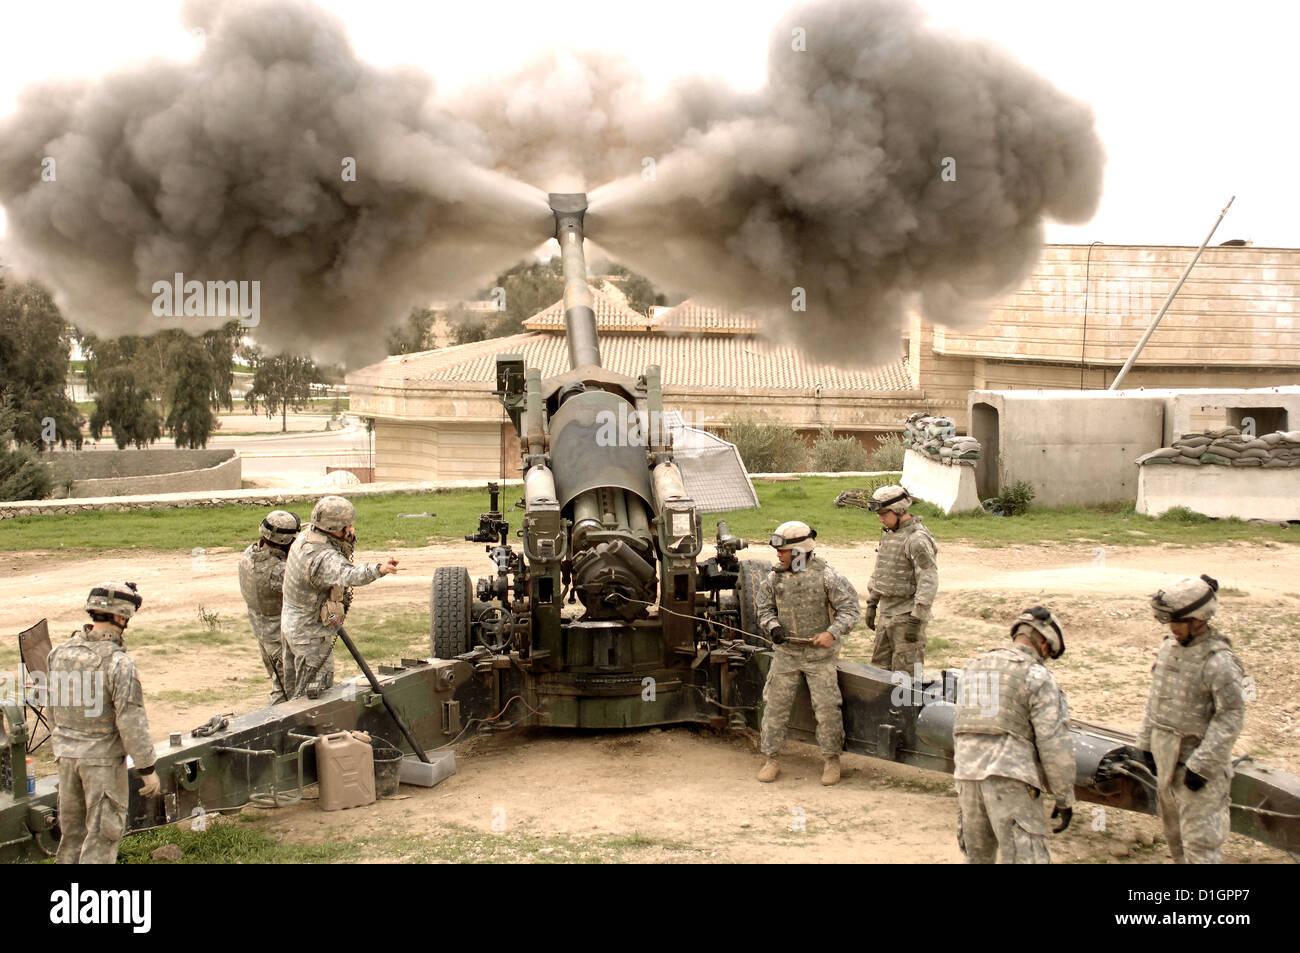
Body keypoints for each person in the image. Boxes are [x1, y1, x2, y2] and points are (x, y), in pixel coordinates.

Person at [47, 582, 160, 864]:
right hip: (102, 765)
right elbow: (131, 719)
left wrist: (62, 746)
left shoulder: (59, 653)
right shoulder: (119, 663)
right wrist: (147, 768)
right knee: (100, 839)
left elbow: (51, 710)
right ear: (121, 618)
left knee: (71, 837)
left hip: (67, 758)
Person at [953, 606, 1075, 864]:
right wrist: (1064, 797)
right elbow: (1053, 744)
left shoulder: (972, 667)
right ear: (1043, 642)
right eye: (1049, 653)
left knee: (976, 859)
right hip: (1010, 779)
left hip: (966, 777)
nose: (1046, 658)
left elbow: (960, 727)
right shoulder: (1036, 676)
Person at [1137, 574, 1245, 864]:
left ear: (1199, 619)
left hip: (1198, 771)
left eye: (1178, 622)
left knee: (1200, 846)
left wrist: (1203, 765)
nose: (1173, 629)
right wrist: (1145, 743)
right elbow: (1156, 699)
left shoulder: (1219, 660)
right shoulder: (1168, 649)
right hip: (1166, 763)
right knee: (1175, 839)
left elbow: (1231, 716)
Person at [755, 520, 861, 786]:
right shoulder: (773, 578)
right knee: (775, 708)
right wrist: (773, 626)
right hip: (786, 654)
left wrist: (832, 633)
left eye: (784, 550)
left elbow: (850, 610)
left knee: (827, 709)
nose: (778, 555)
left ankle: (831, 760)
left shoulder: (828, 576)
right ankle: (772, 758)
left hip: (819, 657)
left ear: (800, 551)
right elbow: (763, 609)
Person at [281, 496, 399, 699]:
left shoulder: (306, 537)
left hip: (292, 625)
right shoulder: (322, 557)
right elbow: (349, 574)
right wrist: (379, 569)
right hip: (311, 636)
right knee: (313, 697)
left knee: (291, 692)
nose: (351, 528)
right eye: (348, 525)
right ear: (338, 526)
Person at [864, 485, 938, 672]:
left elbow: (928, 579)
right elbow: (881, 571)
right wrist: (872, 604)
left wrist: (917, 618)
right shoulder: (890, 536)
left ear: (899, 510)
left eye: (884, 514)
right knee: (878, 675)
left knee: (905, 680)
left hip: (906, 617)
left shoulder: (917, 539)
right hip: (886, 614)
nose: (880, 518)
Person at [238, 509, 302, 704]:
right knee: (286, 693)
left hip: (264, 634)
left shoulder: (250, 554)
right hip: (279, 642)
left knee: (282, 685)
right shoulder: (277, 571)